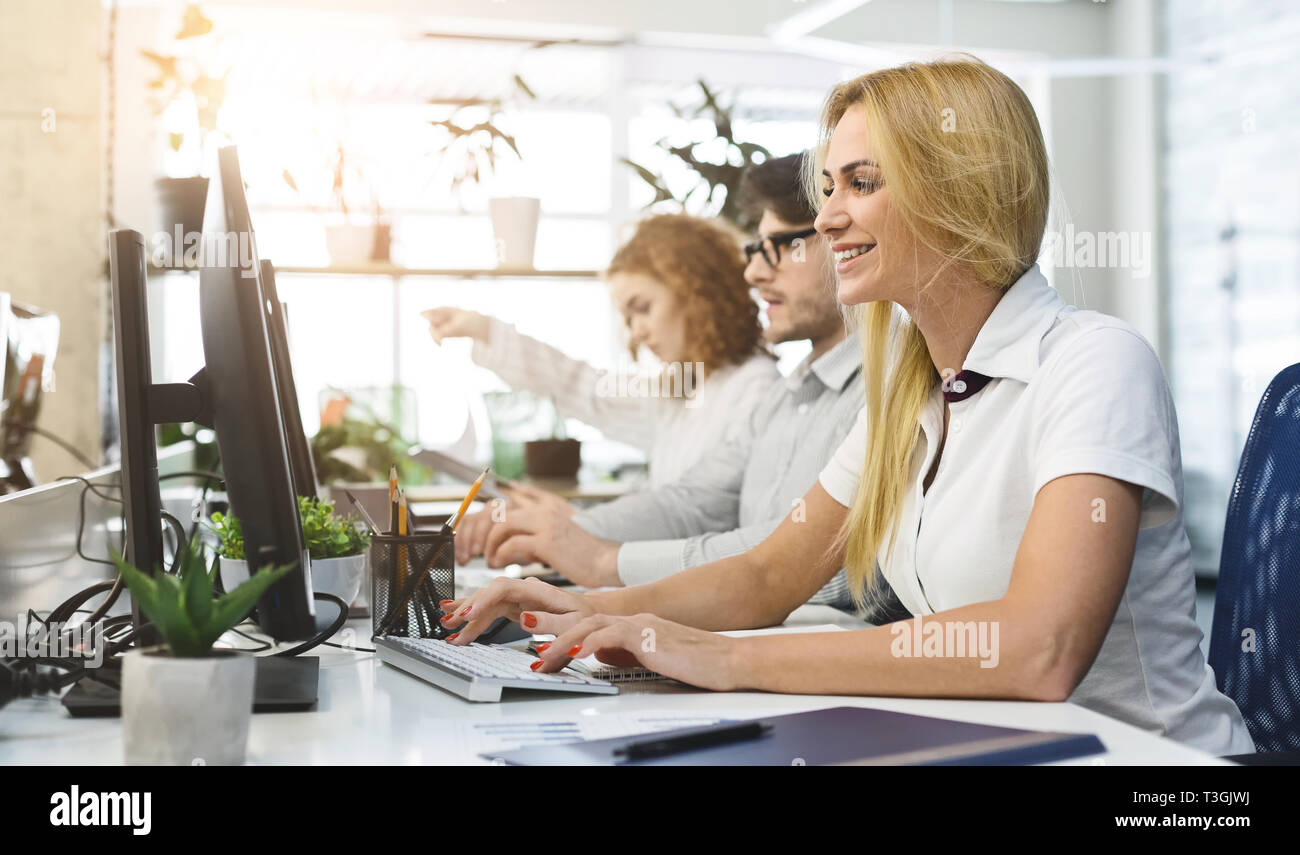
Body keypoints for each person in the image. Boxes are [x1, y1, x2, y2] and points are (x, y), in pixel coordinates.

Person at [437, 56, 1254, 755]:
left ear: (957, 191)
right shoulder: (910, 395)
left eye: (860, 184)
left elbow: (1037, 646)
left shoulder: (1093, 362)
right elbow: (767, 574)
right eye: (830, 187)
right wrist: (583, 606)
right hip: (1002, 750)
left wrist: (725, 657)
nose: (826, 218)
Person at [457, 153, 902, 617]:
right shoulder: (786, 394)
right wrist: (565, 534)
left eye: (778, 247)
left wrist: (601, 558)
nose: (752, 274)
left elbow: (803, 563)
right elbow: (693, 501)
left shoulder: (881, 386)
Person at [423, 213, 777, 490]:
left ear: (696, 292)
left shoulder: (754, 390)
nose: (636, 331)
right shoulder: (685, 388)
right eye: (628, 316)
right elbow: (583, 387)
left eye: (643, 307)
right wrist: (485, 331)